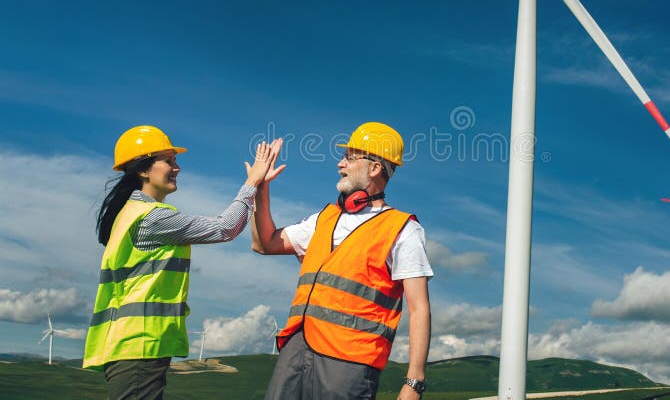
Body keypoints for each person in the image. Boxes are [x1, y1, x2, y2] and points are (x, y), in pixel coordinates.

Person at [82, 125, 284, 400]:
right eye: (169, 160)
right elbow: (225, 228)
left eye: (176, 161)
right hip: (139, 343)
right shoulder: (152, 218)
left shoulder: (128, 214)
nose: (177, 168)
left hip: (131, 344)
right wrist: (252, 184)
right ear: (143, 169)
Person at [252, 122, 433, 400]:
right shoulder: (324, 218)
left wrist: (414, 382)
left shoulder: (402, 229)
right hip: (297, 348)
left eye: (349, 157)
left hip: (349, 363)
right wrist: (260, 188)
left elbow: (419, 309)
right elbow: (264, 244)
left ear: (374, 168)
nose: (340, 164)